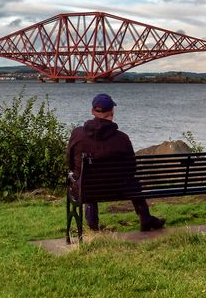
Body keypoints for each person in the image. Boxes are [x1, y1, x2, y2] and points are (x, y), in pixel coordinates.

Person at [67, 93, 166, 232]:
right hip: (118, 189)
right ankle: (146, 218)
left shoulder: (77, 134)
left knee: (87, 180)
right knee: (133, 183)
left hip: (86, 189)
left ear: (92, 111)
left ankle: (93, 225)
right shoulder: (122, 139)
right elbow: (132, 168)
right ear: (112, 113)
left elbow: (70, 162)